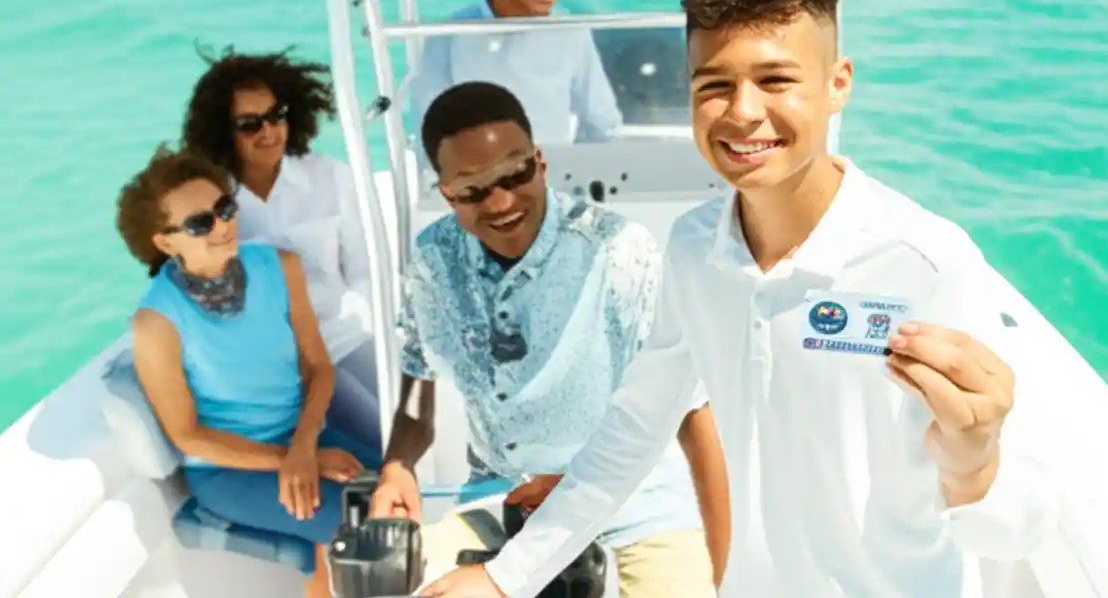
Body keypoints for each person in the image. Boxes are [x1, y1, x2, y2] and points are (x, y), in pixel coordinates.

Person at [419, 0, 1059, 598]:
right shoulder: (697, 249)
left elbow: (1020, 533)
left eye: (776, 80)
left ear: (838, 83)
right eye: (714, 86)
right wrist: (506, 578)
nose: (743, 111)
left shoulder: (924, 260)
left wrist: (975, 463)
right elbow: (636, 428)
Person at [368, 81, 730, 597]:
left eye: (516, 174)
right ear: (445, 193)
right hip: (503, 499)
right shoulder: (433, 259)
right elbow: (416, 380)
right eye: (472, 189)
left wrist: (725, 566)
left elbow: (693, 413)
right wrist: (397, 467)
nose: (501, 201)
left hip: (635, 502)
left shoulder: (620, 252)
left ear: (539, 163)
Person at [116, 145, 383, 598]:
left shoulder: (281, 266)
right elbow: (188, 437)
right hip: (228, 471)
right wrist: (298, 462)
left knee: (398, 493)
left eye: (224, 209)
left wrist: (304, 448)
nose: (222, 226)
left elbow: (318, 366)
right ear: (164, 241)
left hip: (303, 439)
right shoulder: (156, 322)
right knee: (363, 529)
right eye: (200, 223)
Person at [181, 47, 381, 449]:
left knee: (419, 419)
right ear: (224, 132)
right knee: (384, 436)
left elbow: (364, 265)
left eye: (276, 116)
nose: (269, 132)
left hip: (347, 332)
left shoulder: (330, 177)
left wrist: (362, 315)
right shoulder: (210, 204)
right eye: (250, 124)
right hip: (282, 361)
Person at [408, 0, 622, 168]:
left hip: (550, 181)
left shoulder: (569, 30)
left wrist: (575, 178)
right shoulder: (450, 37)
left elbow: (601, 123)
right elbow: (429, 134)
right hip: (481, 191)